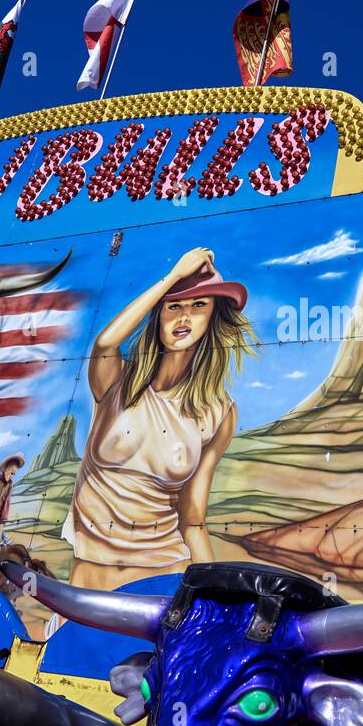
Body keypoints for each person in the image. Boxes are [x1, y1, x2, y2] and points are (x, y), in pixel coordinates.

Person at [64, 247, 255, 591]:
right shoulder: (116, 383)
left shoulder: (218, 412)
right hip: (88, 582)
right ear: (158, 313)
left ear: (212, 317)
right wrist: (172, 277)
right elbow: (107, 340)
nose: (184, 317)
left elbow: (193, 521)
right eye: (173, 306)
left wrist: (215, 596)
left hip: (163, 579)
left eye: (199, 306)